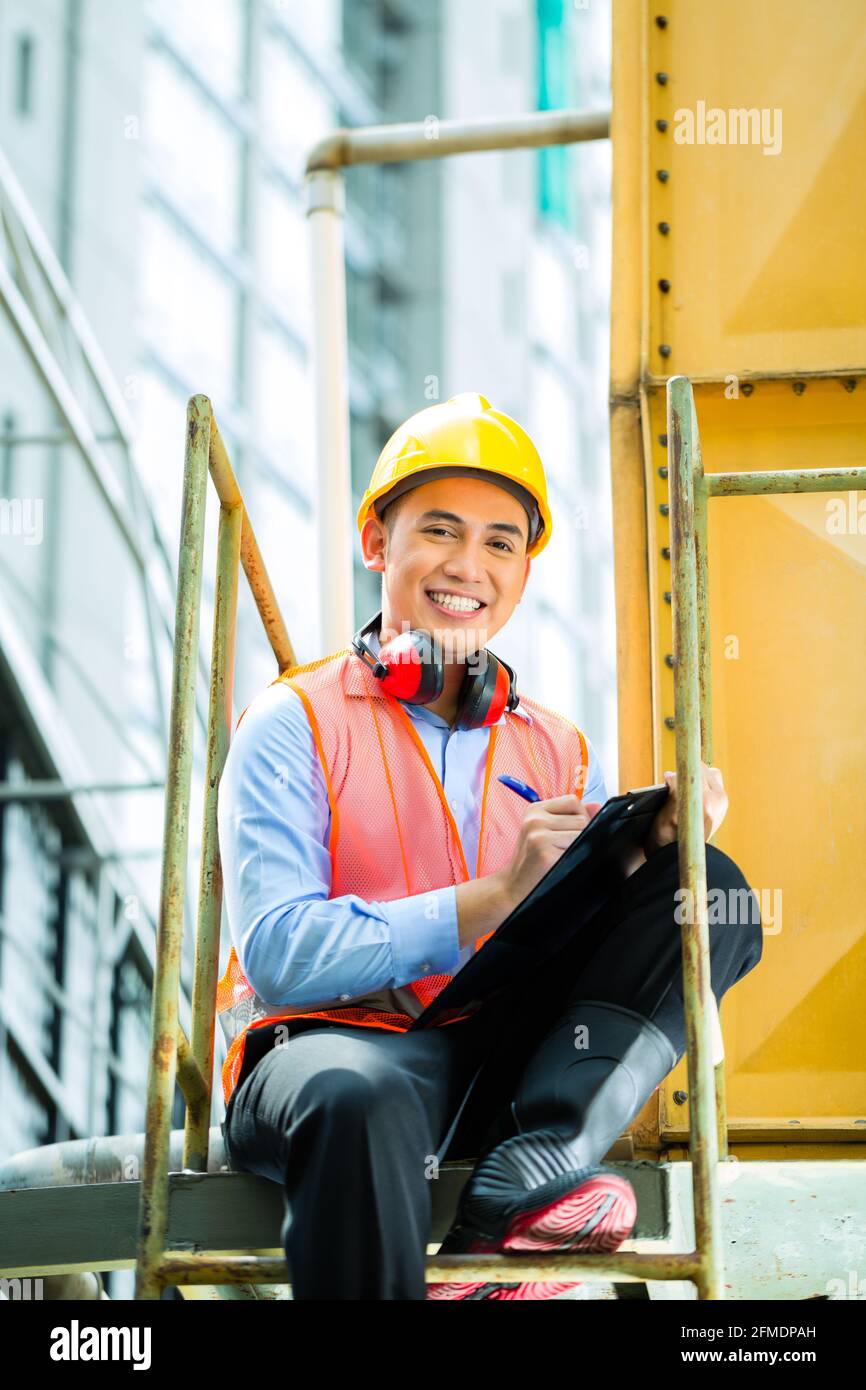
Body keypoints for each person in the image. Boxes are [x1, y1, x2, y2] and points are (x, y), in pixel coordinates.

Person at [216, 392, 763, 1300]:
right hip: (334, 1058)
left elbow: (574, 945)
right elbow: (279, 956)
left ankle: (539, 1166)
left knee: (708, 890)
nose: (469, 565)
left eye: (501, 543)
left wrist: (643, 851)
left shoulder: (557, 747)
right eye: (440, 531)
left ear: (522, 571)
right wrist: (493, 896)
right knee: (359, 1096)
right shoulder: (292, 721)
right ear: (376, 542)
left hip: (499, 1064)